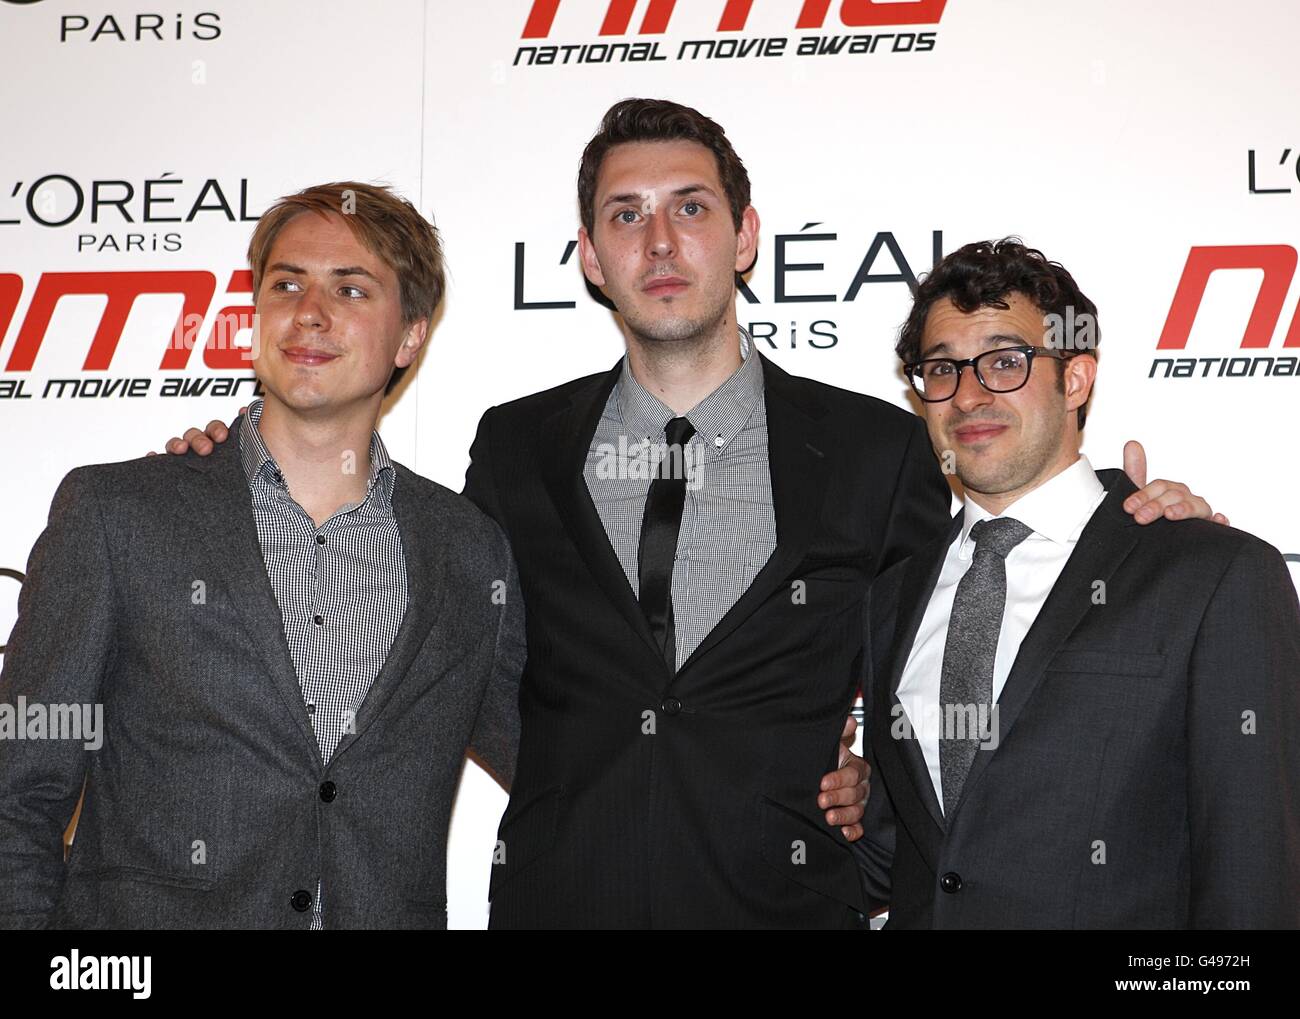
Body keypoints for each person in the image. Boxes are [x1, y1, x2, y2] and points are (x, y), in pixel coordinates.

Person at [166, 102, 1215, 928]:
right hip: (561, 901)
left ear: (746, 235)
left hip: (790, 904)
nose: (658, 239)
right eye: (625, 214)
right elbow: (461, 649)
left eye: (690, 207)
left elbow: (951, 628)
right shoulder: (516, 443)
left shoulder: (873, 444)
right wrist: (221, 472)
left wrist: (1119, 517)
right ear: (587, 253)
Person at [0, 182, 525, 929]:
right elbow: (18, 796)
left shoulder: (470, 552)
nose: (310, 311)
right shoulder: (118, 516)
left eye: (350, 288)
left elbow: (558, 776)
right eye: (286, 284)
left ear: (410, 335)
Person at [854, 238, 1300, 928]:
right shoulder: (892, 597)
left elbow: (1254, 874)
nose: (968, 394)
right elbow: (908, 854)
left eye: (1005, 361)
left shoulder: (1213, 575)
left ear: (1075, 379)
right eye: (941, 369)